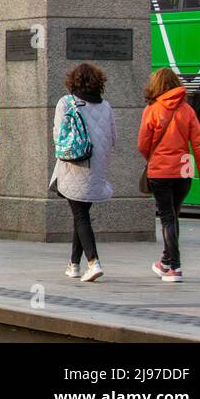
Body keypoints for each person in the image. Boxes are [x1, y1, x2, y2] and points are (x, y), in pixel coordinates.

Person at [137, 68, 200, 283]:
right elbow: (198, 144)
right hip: (183, 171)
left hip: (160, 171)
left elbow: (142, 143)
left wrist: (154, 156)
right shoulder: (187, 110)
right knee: (174, 216)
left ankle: (175, 267)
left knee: (167, 218)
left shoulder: (152, 110)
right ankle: (166, 261)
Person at [50, 63, 115, 283]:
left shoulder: (66, 103)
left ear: (72, 81)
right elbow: (113, 138)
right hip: (98, 166)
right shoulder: (106, 106)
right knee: (81, 213)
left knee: (80, 214)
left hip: (75, 165)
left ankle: (93, 261)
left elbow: (59, 136)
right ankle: (73, 264)